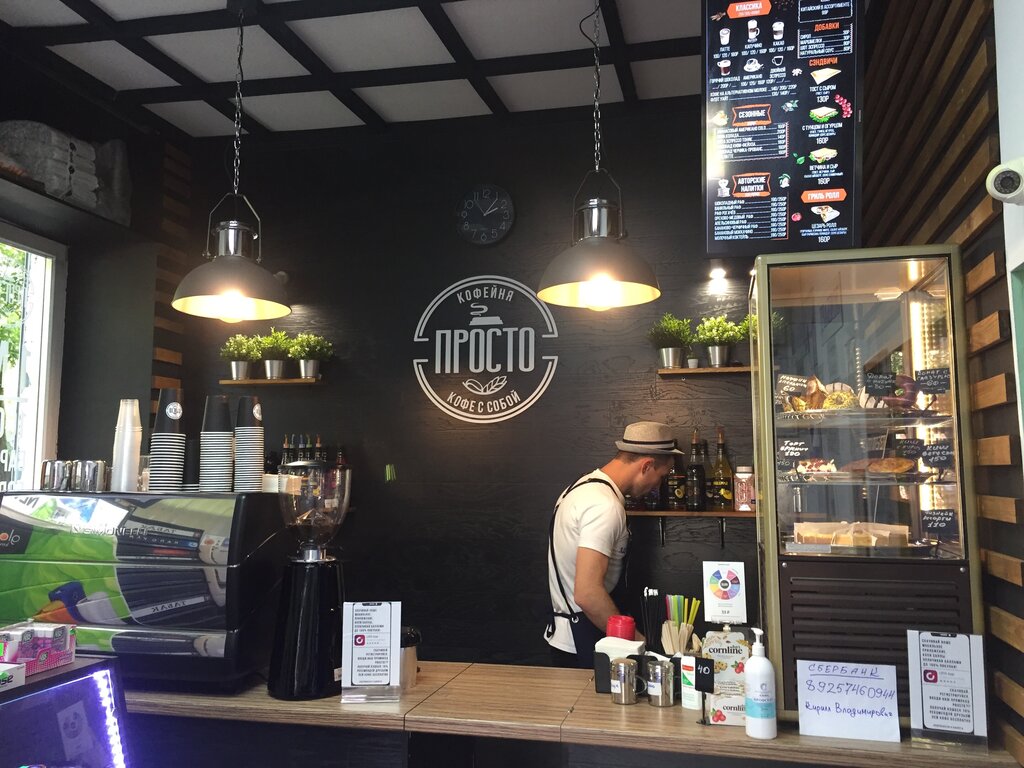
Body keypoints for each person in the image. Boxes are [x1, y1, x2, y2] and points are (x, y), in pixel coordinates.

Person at [545, 421, 682, 668]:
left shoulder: (578, 488)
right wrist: (639, 644)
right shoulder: (604, 506)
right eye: (661, 477)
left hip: (564, 638)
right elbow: (588, 594)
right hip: (584, 642)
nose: (657, 487)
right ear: (646, 465)